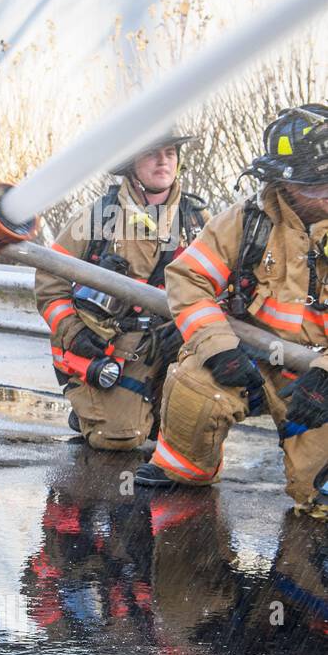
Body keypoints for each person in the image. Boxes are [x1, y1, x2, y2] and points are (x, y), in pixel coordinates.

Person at [135, 104, 328, 518]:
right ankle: (185, 471)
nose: (325, 193)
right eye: (316, 184)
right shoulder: (247, 222)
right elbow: (188, 278)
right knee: (195, 382)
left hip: (318, 373)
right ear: (285, 181)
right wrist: (219, 348)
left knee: (321, 495)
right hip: (250, 360)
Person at [34, 132, 208, 448]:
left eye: (170, 152)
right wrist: (75, 334)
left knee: (193, 439)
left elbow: (224, 289)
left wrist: (192, 331)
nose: (164, 160)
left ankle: (153, 410)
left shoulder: (197, 221)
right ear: (131, 163)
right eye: (152, 153)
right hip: (115, 346)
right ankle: (92, 407)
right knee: (118, 438)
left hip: (176, 345)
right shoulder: (98, 218)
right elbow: (49, 281)